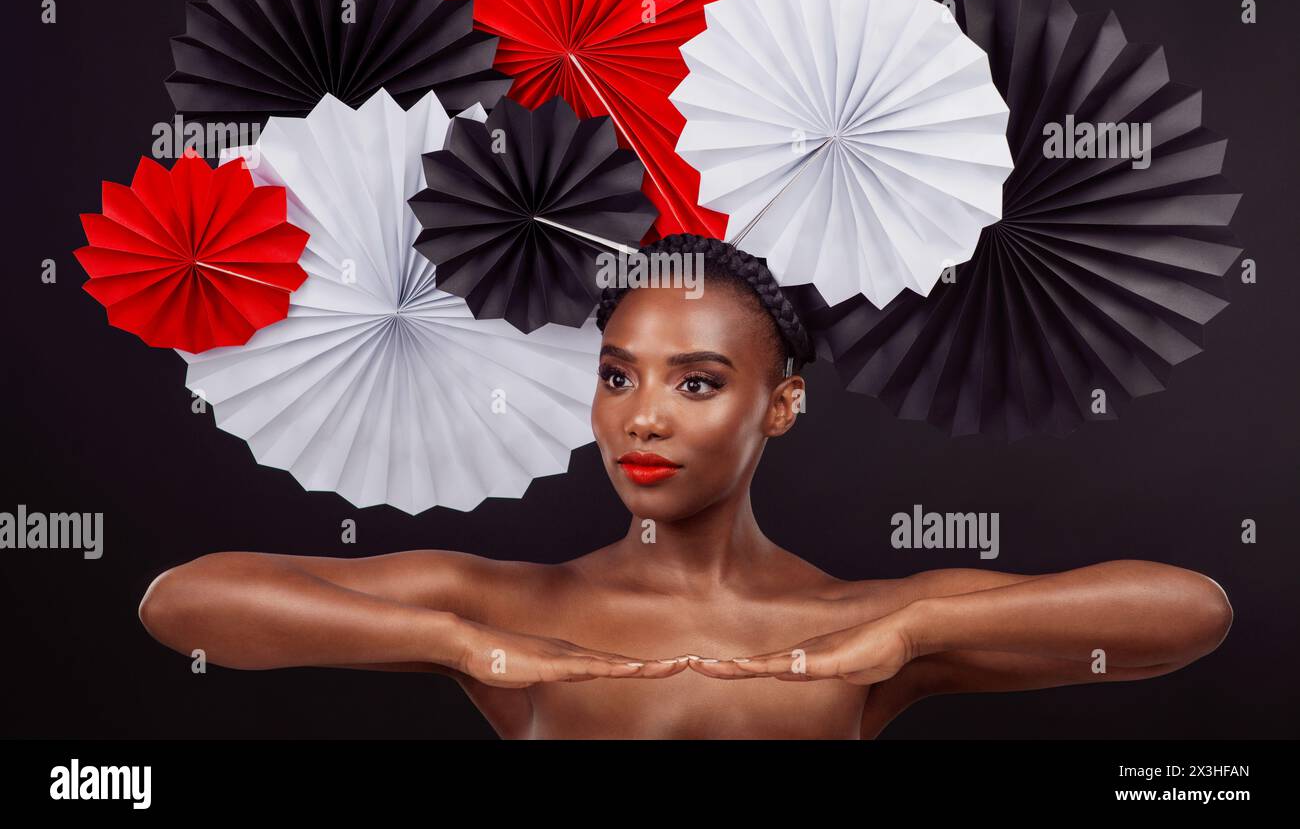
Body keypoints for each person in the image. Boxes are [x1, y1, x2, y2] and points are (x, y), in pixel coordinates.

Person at [137, 234, 1233, 739]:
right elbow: (183, 602)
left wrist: (911, 634)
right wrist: (460, 647)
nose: (642, 415)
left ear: (780, 404)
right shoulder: (511, 607)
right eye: (617, 375)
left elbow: (1187, 614)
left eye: (697, 381)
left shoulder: (860, 624)